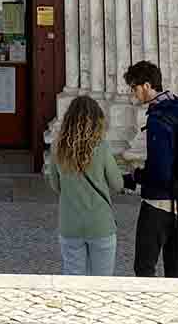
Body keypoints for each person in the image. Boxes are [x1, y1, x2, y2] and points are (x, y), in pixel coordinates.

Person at [121, 60, 178, 278]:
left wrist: (136, 177)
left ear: (146, 85)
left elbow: (159, 170)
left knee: (144, 265)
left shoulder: (157, 118)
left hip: (158, 202)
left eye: (134, 88)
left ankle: (149, 300)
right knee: (175, 266)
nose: (133, 94)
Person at [43, 95, 122, 276]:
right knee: (101, 283)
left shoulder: (57, 147)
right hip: (100, 224)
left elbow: (55, 185)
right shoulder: (101, 147)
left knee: (73, 282)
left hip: (70, 224)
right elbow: (117, 184)